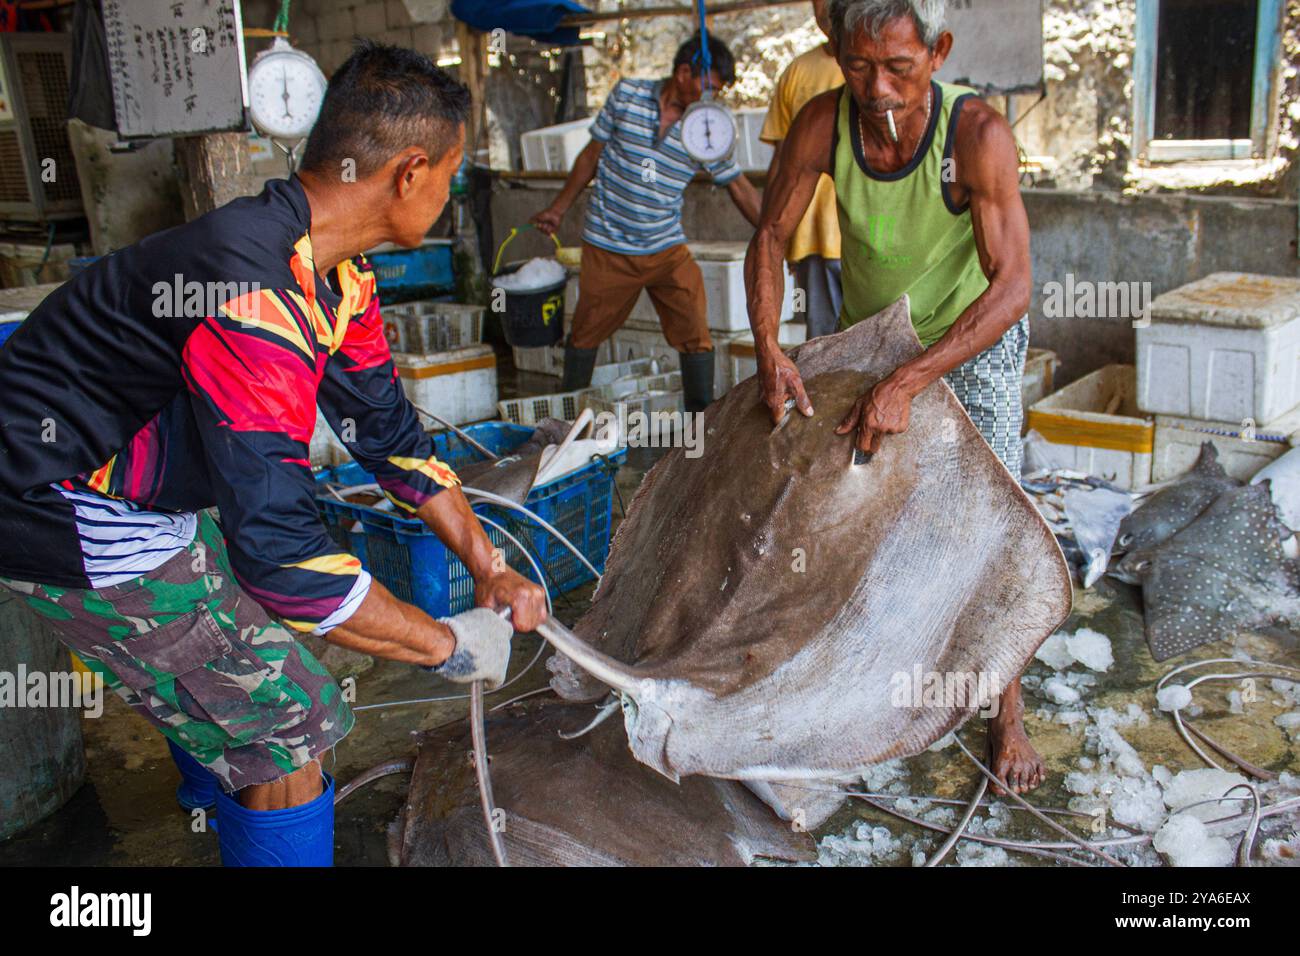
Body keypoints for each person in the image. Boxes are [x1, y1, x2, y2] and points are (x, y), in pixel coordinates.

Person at [0, 41, 547, 864]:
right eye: (451, 171)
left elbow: (388, 436)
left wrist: (486, 565)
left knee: (227, 631)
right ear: (409, 172)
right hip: (54, 501)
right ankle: (251, 785)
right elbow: (285, 563)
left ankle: (215, 790)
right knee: (293, 721)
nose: (447, 188)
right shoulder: (253, 295)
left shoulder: (337, 270)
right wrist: (447, 644)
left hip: (123, 478)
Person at [746, 0, 1043, 793]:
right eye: (858, 65)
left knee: (988, 518)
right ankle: (870, 674)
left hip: (968, 337)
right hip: (873, 330)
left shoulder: (976, 136)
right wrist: (770, 345)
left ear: (939, 51)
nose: (877, 88)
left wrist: (911, 380)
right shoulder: (822, 122)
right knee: (856, 506)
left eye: (899, 68)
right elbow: (771, 234)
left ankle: (1006, 711)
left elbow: (1012, 286)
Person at [531, 32, 763, 413]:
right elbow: (591, 156)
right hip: (608, 244)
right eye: (709, 88)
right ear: (684, 72)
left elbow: (736, 184)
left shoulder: (704, 127)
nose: (712, 99)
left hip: (665, 247)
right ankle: (565, 418)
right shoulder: (627, 95)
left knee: (695, 331)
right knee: (586, 332)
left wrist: (774, 232)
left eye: (717, 93)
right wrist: (557, 209)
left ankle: (698, 426)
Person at [760, 0, 845, 339]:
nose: (824, 7)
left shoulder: (875, 70)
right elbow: (781, 160)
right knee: (824, 345)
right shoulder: (797, 72)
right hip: (812, 234)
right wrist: (773, 233)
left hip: (871, 232)